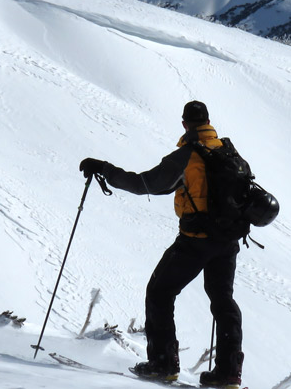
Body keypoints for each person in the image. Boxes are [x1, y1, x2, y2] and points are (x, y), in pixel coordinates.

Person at [79, 100, 244, 389]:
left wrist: (104, 169)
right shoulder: (228, 151)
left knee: (159, 291)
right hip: (227, 241)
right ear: (208, 121)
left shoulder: (188, 155)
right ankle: (228, 374)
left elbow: (145, 184)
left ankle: (163, 364)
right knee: (223, 302)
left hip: (195, 241)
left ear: (185, 124)